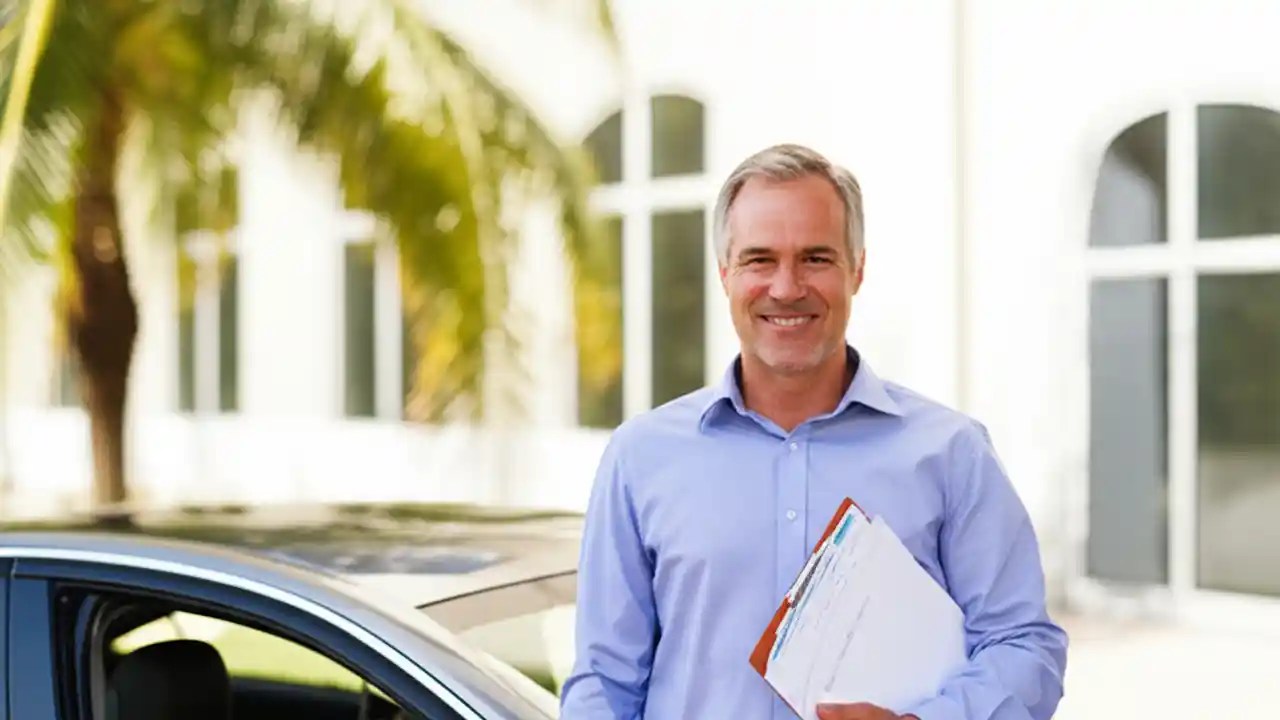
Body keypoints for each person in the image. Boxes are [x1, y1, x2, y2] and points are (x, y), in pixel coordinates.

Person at [559, 143, 1067, 720]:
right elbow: (603, 682)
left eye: (816, 258)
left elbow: (1026, 648)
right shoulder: (641, 457)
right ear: (725, 273)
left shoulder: (952, 454)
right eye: (759, 260)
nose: (786, 286)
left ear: (858, 269)